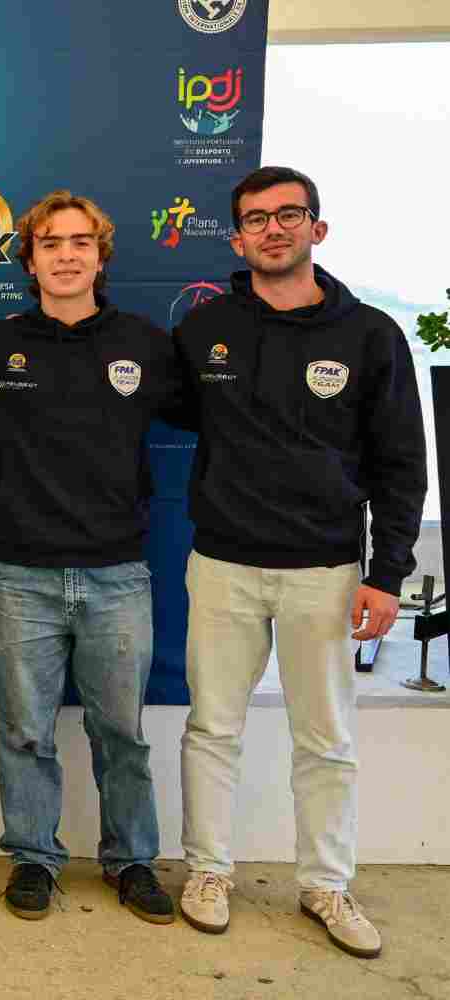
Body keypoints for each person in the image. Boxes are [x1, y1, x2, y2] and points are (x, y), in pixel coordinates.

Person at [175, 166, 427, 958]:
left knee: (327, 738)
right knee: (212, 727)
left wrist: (387, 572)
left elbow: (400, 464)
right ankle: (209, 871)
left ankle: (326, 884)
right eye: (256, 219)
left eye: (290, 215)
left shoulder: (372, 336)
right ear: (238, 238)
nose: (273, 230)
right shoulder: (203, 331)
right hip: (222, 562)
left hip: (325, 570)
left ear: (318, 228)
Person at [0, 190, 183, 923]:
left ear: (100, 254)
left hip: (119, 573)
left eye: (80, 242)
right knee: (24, 732)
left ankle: (132, 861)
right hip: (20, 574)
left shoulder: (147, 345)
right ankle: (32, 857)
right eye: (50, 243)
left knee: (121, 732)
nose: (66, 255)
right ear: (29, 259)